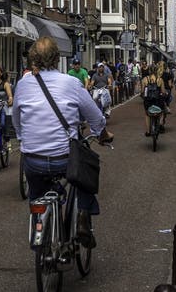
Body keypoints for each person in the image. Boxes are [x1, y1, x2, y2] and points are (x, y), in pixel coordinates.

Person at [12, 38, 113, 248]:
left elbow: (16, 119)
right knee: (86, 170)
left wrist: (24, 138)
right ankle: (83, 216)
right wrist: (101, 133)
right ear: (58, 58)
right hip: (63, 158)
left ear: (33, 59)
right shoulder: (71, 83)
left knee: (37, 192)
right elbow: (95, 117)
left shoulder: (22, 85)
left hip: (33, 159)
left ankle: (37, 226)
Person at [140, 67, 165, 136]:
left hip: (148, 101)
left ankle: (148, 131)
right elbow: (163, 92)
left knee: (147, 114)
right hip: (158, 101)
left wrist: (143, 96)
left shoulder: (144, 79)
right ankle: (160, 123)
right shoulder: (160, 80)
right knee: (162, 111)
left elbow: (142, 91)